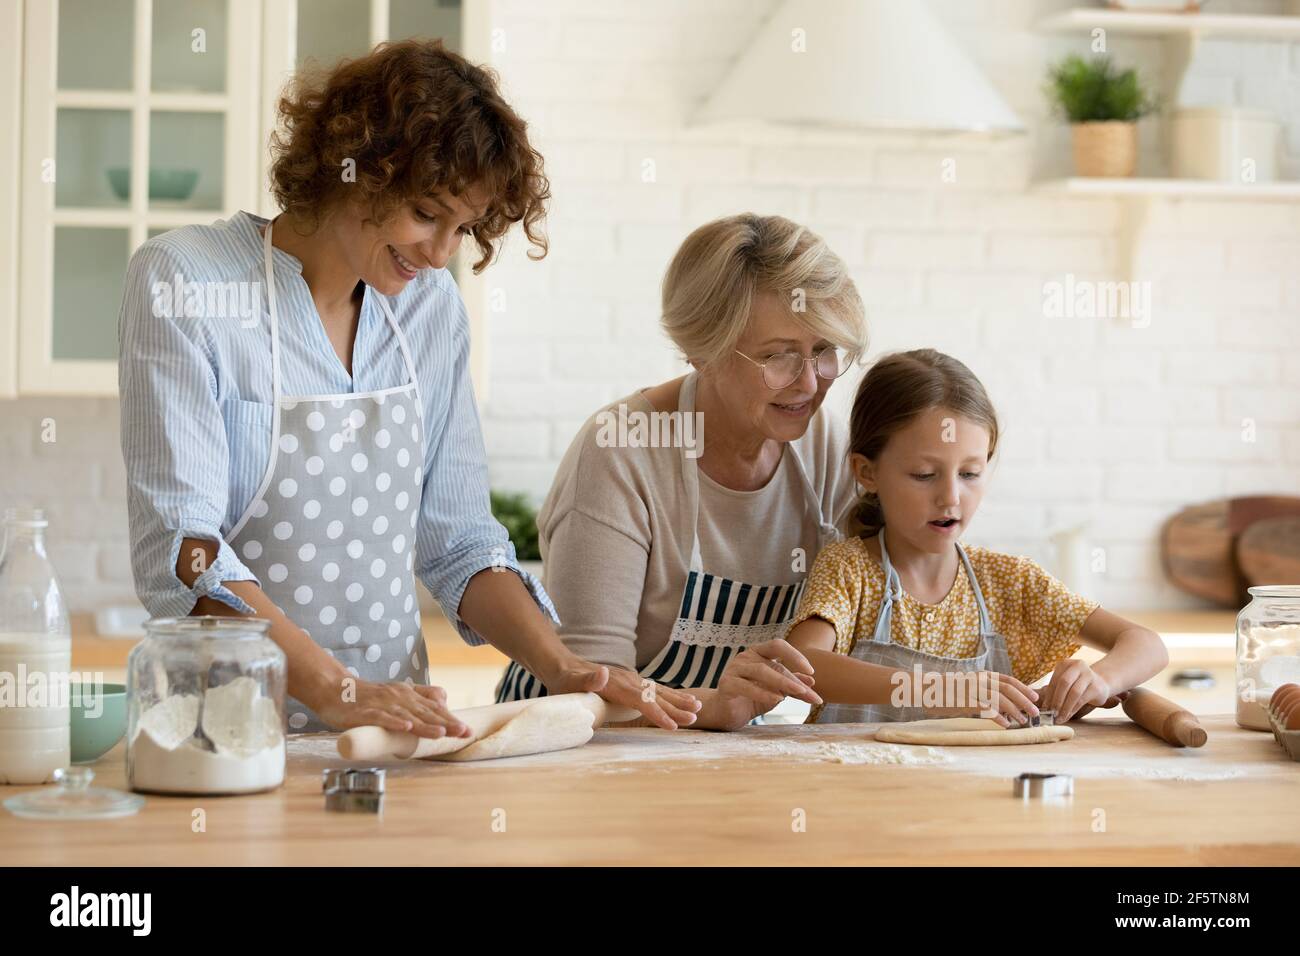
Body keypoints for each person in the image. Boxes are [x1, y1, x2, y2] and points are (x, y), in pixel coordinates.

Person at [119, 40, 697, 737]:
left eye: (464, 228)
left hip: (391, 737)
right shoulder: (189, 283)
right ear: (352, 169)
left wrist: (563, 663)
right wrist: (336, 689)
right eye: (427, 214)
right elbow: (186, 549)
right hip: (217, 735)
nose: (441, 252)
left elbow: (457, 542)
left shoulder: (428, 311)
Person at [497, 214, 869, 731]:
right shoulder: (621, 453)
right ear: (703, 351)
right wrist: (713, 707)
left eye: (824, 351)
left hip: (705, 744)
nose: (809, 382)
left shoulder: (827, 448)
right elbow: (590, 683)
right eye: (778, 356)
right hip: (566, 742)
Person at [785, 349, 1169, 724]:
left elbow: (1146, 644)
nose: (950, 497)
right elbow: (804, 664)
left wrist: (1099, 679)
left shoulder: (1009, 582)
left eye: (969, 474)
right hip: (855, 784)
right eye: (923, 474)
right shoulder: (849, 571)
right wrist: (942, 690)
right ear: (867, 473)